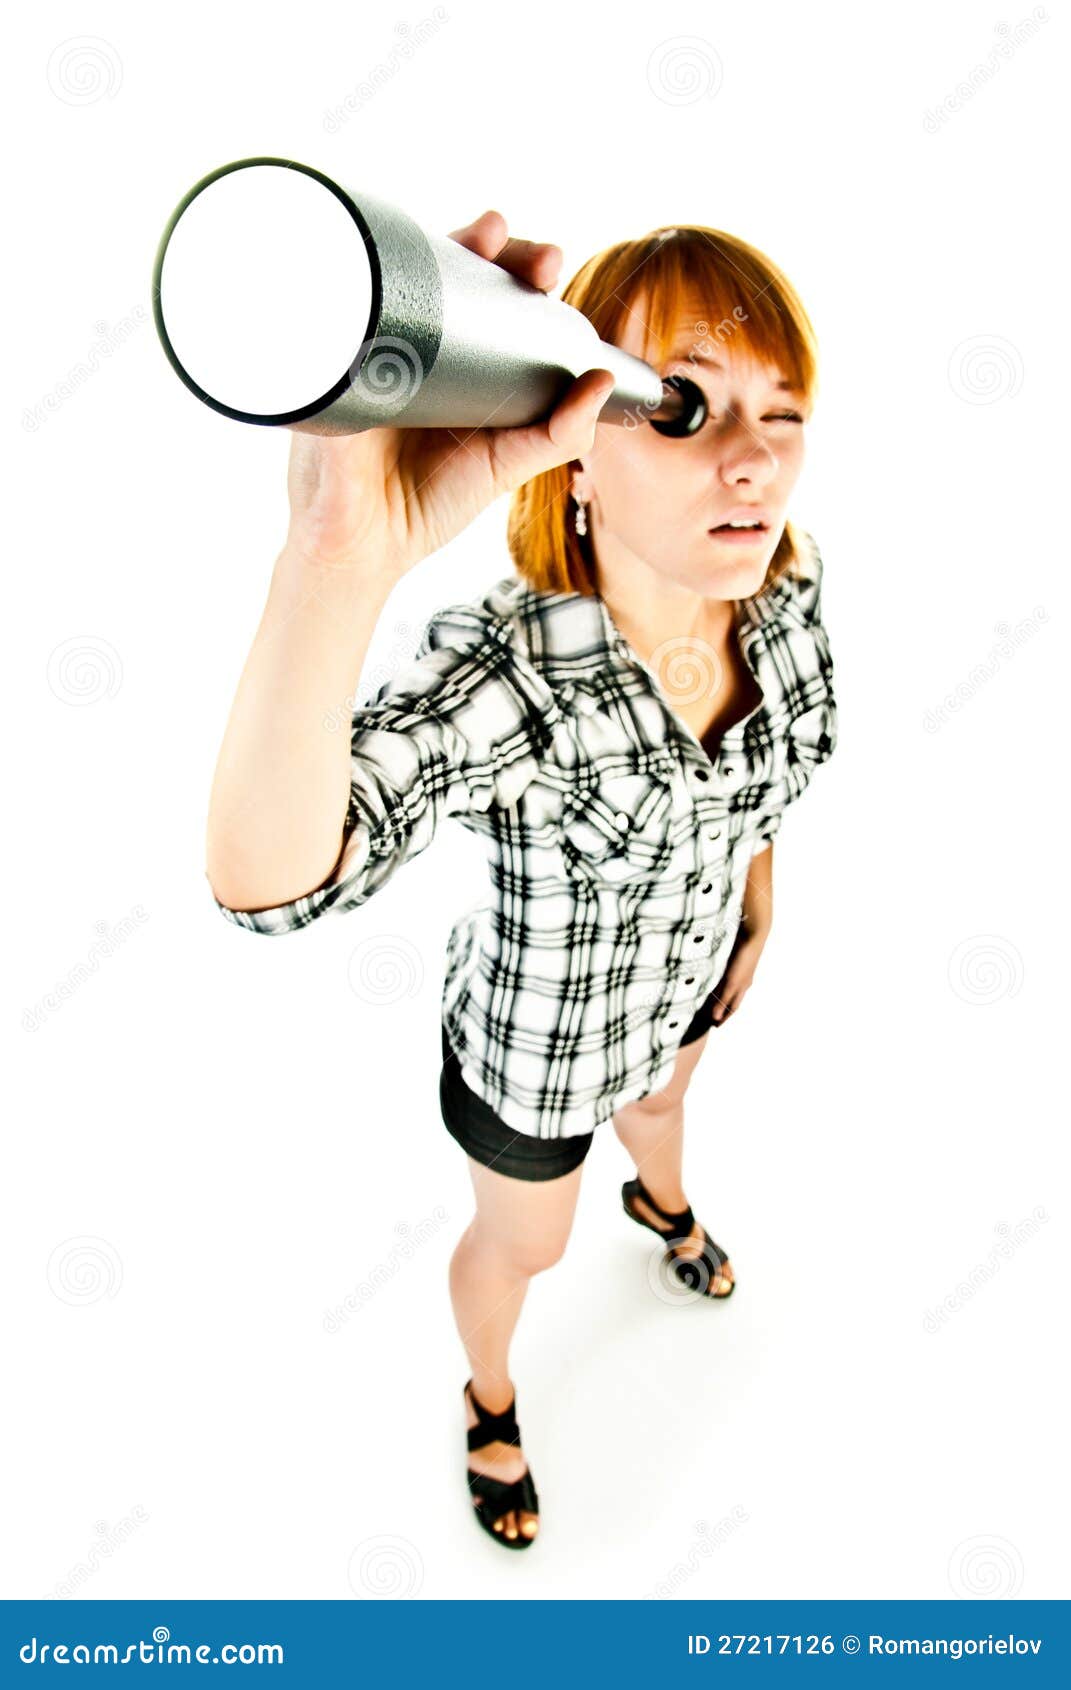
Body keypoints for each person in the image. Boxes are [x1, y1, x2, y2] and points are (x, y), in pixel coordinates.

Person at [205, 210, 838, 1552]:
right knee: (528, 1249)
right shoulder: (510, 675)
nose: (753, 462)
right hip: (535, 1062)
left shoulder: (787, 591)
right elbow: (269, 881)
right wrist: (335, 555)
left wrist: (757, 903)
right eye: (683, 411)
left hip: (687, 988)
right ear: (578, 453)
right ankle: (488, 1394)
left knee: (667, 1116)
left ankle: (659, 1201)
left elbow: (762, 786)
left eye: (782, 413)